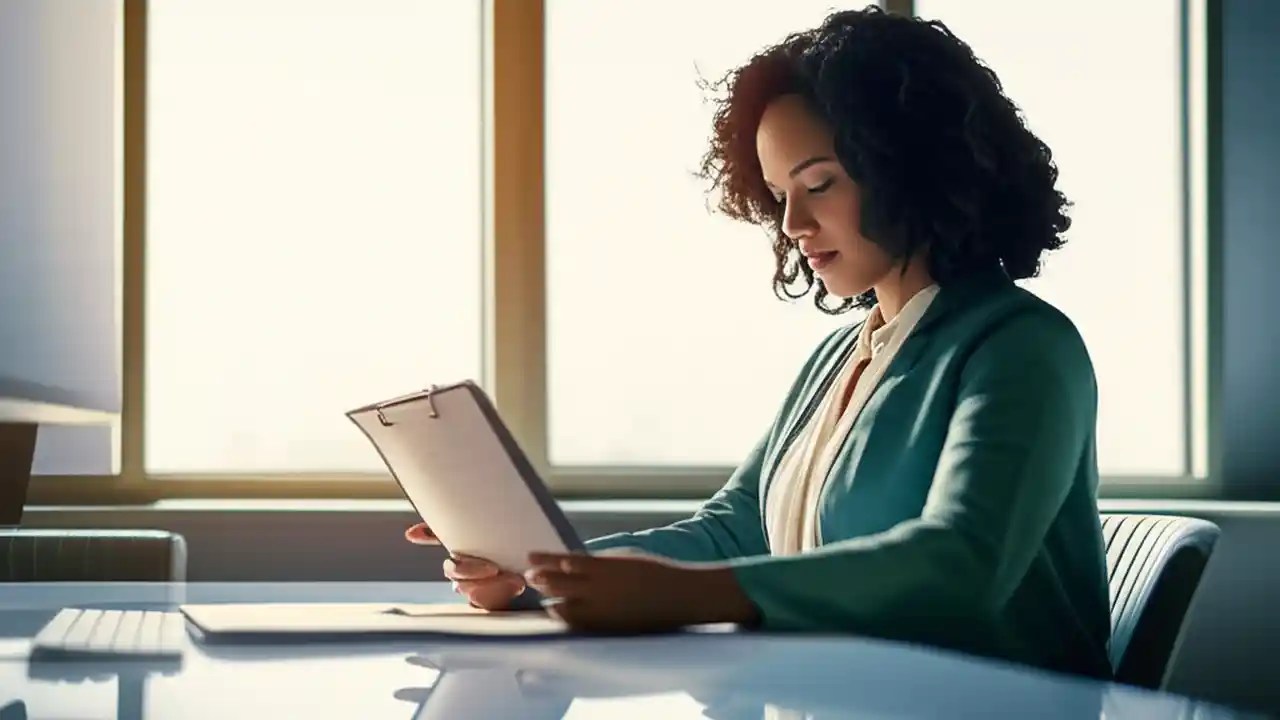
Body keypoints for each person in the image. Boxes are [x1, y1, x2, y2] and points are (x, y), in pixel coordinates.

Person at [407, 6, 1113, 680]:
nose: (793, 224)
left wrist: (695, 597)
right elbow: (736, 528)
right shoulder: (843, 357)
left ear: (911, 166)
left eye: (819, 185)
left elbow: (961, 562)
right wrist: (540, 570)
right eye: (779, 196)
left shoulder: (1021, 346)